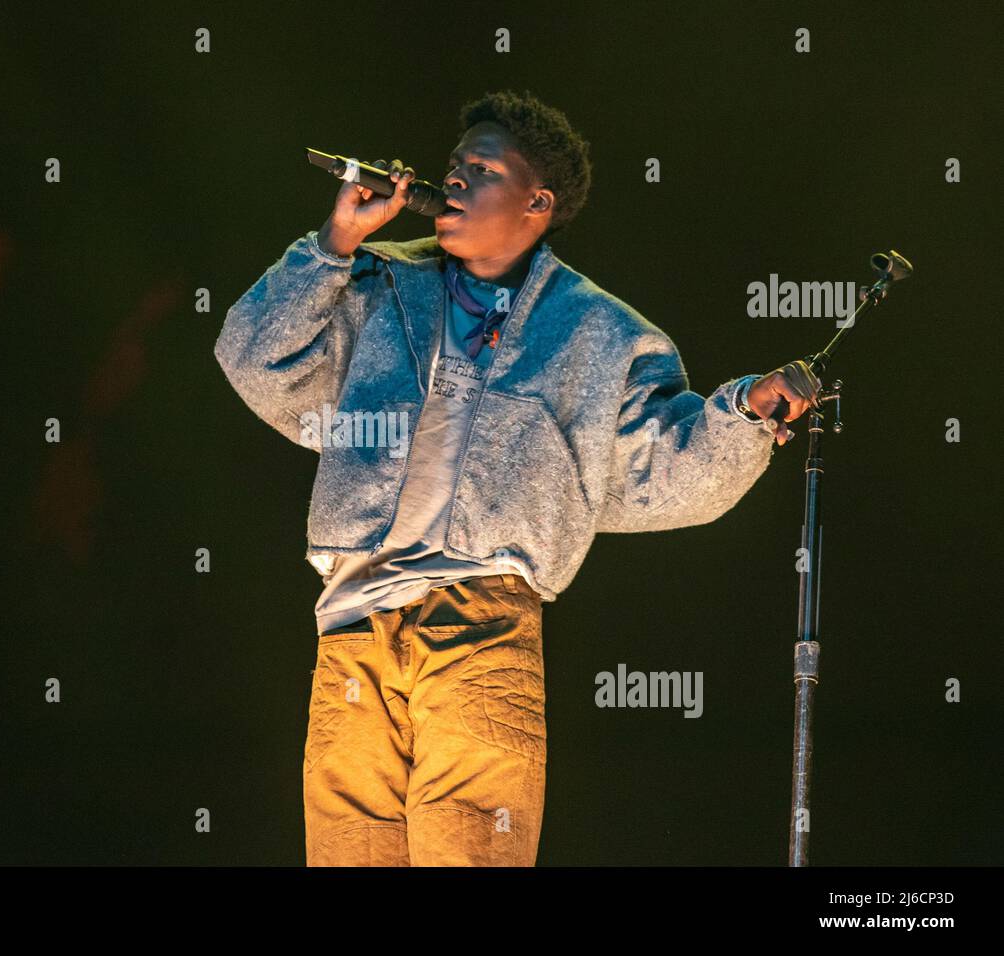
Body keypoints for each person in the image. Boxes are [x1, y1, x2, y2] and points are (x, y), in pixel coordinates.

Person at [213, 89, 821, 866]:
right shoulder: (375, 284)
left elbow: (665, 470)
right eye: (452, 167)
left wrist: (744, 413)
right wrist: (333, 244)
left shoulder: (599, 334)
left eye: (481, 168)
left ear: (538, 201)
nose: (455, 180)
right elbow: (255, 360)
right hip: (350, 628)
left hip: (480, 624)